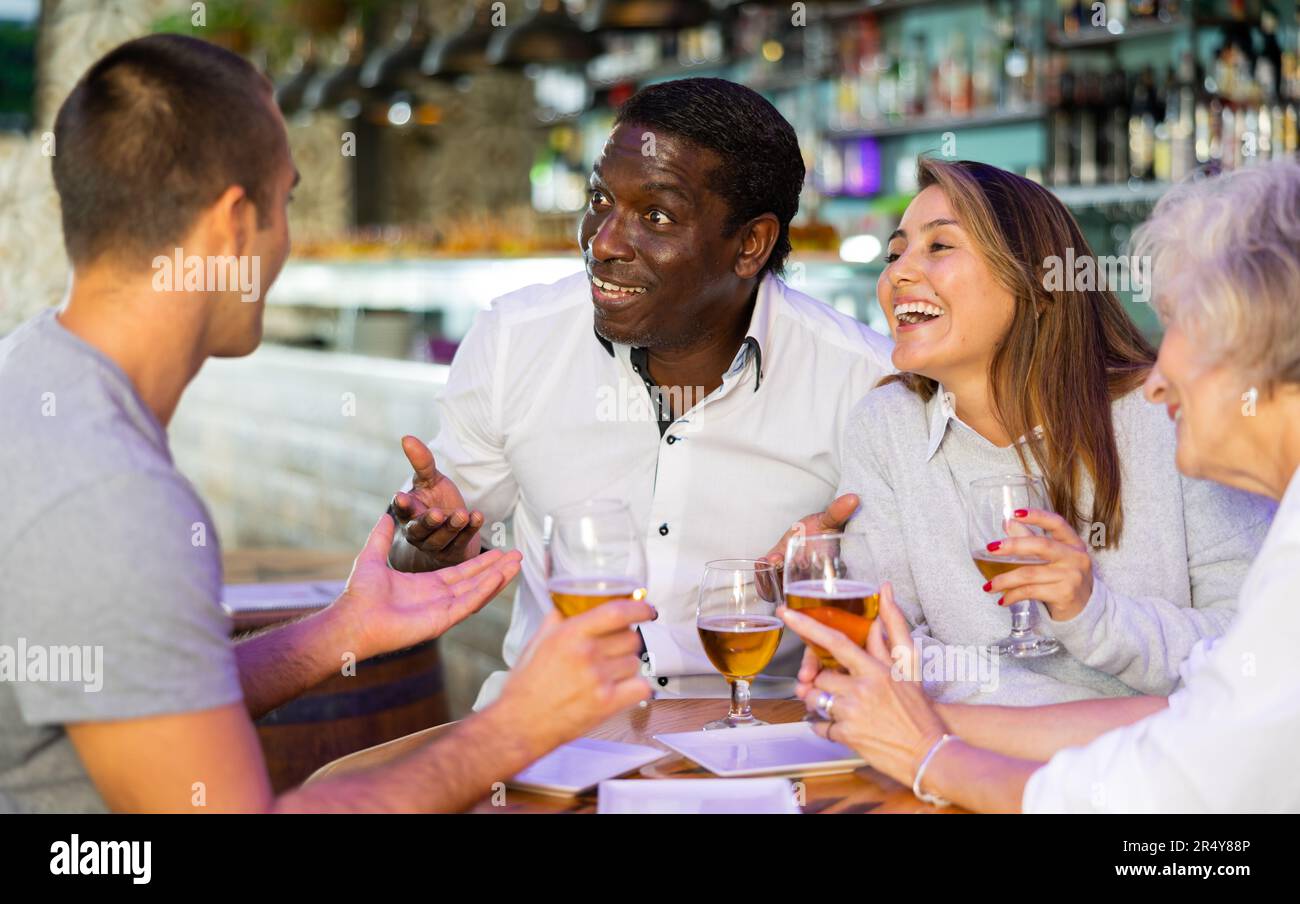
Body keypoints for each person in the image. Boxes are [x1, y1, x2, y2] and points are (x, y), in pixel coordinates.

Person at [0, 34, 652, 814]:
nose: (287, 239)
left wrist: (340, 631)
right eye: (287, 203)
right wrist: (515, 729)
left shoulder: (30, 376)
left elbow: (134, 691)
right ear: (232, 226)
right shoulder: (111, 499)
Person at [780, 159, 1300, 812]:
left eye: (941, 245)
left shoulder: (1173, 423)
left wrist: (1091, 618)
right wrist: (1134, 707)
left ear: (1041, 285)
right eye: (895, 252)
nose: (899, 272)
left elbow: (1221, 692)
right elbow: (886, 658)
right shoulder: (884, 426)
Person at [387, 78, 893, 705]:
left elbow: (912, 622)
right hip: (548, 743)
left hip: (759, 755)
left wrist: (839, 569)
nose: (603, 243)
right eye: (600, 200)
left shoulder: (865, 382)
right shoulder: (515, 338)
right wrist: (433, 544)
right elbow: (420, 565)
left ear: (750, 245)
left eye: (655, 216)